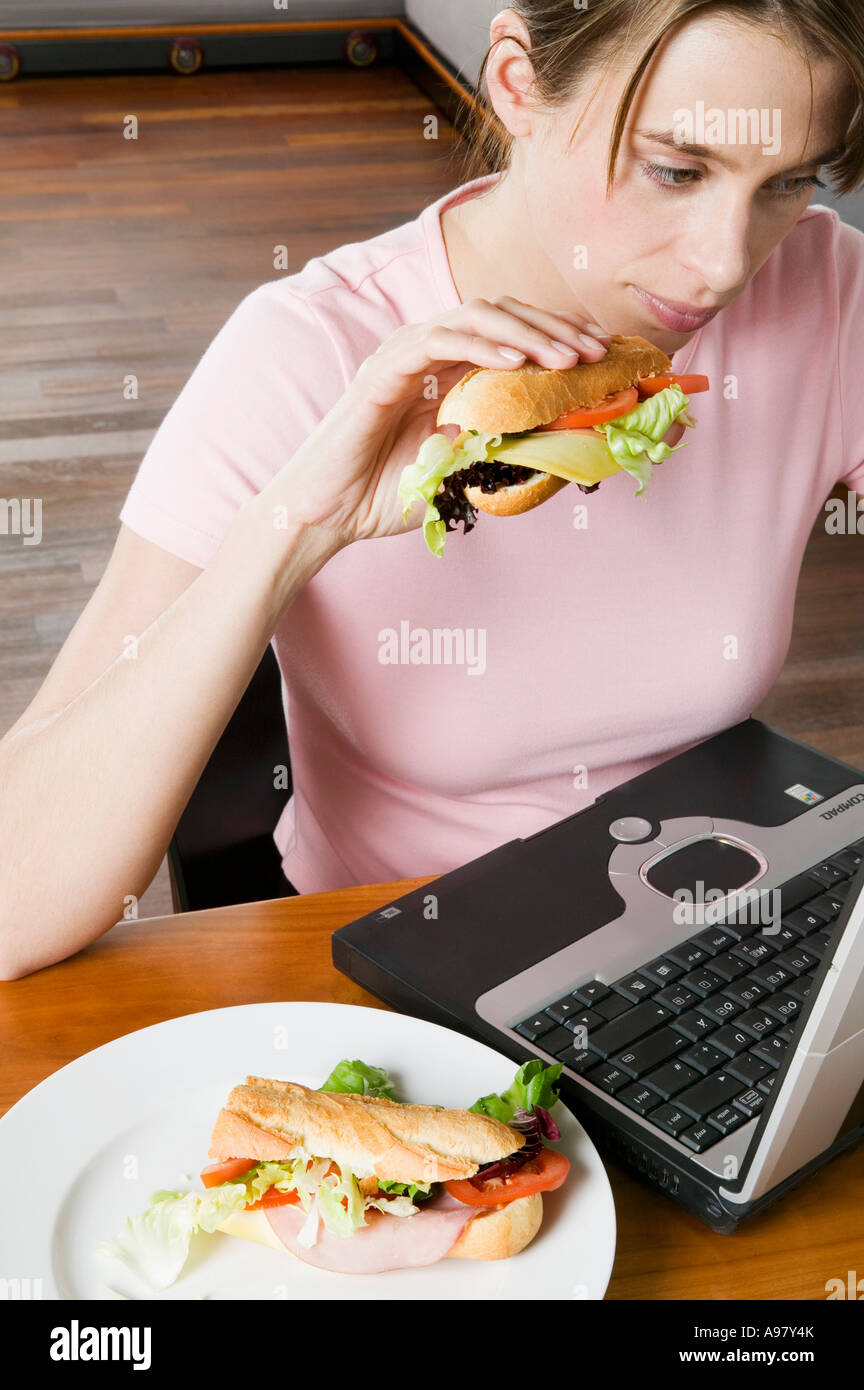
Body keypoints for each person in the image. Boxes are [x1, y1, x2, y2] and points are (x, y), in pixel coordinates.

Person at [2, 0, 863, 979]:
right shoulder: (308, 351)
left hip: (701, 941)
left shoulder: (826, 293)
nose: (724, 266)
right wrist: (295, 529)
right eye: (675, 170)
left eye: (788, 182)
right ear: (516, 82)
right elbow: (10, 899)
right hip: (401, 963)